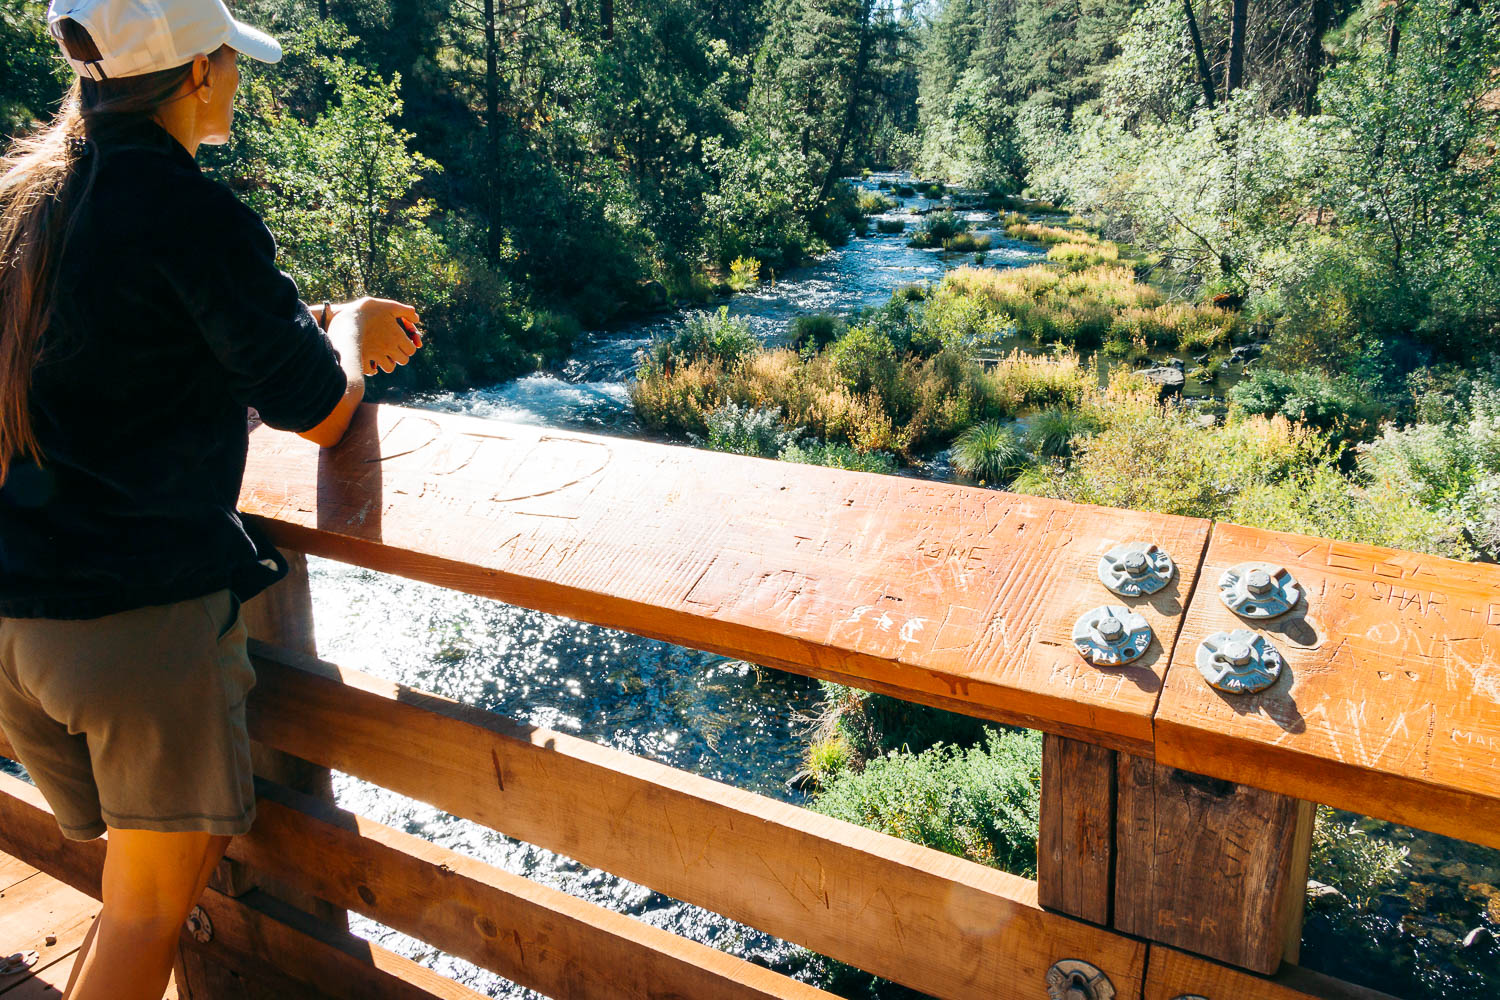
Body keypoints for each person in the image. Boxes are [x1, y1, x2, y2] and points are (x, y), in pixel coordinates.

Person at [0, 1, 421, 996]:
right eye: (230, 62)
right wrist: (352, 331)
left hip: (19, 622)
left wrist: (309, 318)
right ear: (196, 76)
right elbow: (320, 409)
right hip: (133, 629)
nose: (238, 78)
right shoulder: (190, 211)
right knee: (149, 914)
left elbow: (128, 338)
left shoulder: (31, 201)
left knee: (135, 894)